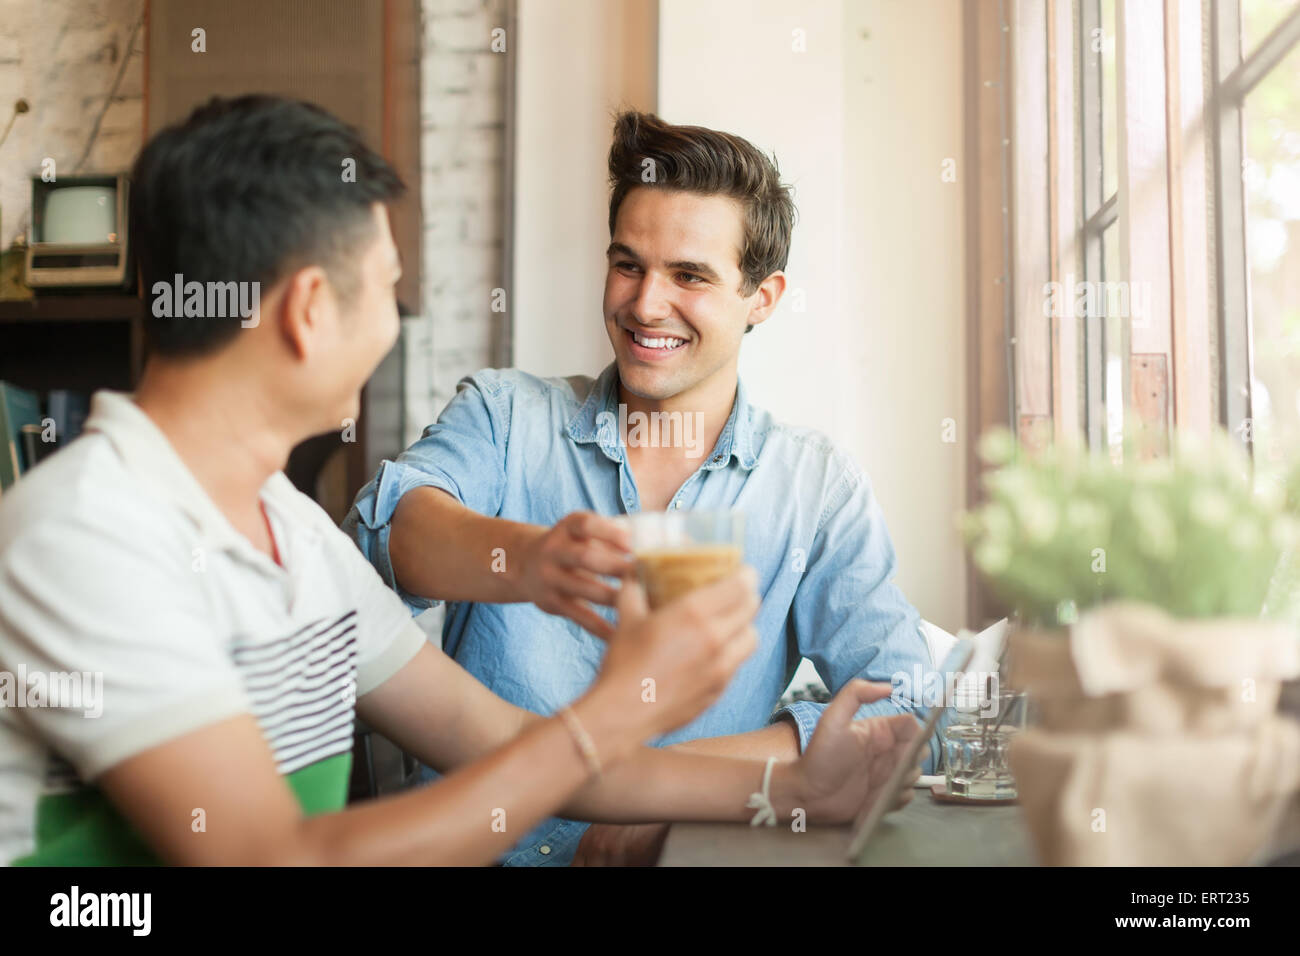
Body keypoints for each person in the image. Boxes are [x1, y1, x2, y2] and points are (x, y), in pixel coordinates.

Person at [0, 96, 922, 867]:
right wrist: (602, 702)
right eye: (388, 287)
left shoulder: (288, 529)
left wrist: (794, 782)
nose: (395, 326)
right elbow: (270, 859)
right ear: (312, 310)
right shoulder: (84, 532)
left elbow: (505, 744)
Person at [344, 111, 936, 866]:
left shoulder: (815, 489)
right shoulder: (506, 416)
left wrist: (664, 803)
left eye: (689, 275)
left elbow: (910, 703)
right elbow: (382, 535)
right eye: (628, 264)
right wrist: (530, 557)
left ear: (763, 297)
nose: (645, 304)